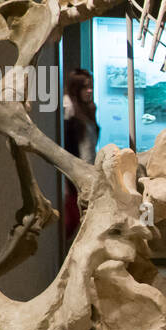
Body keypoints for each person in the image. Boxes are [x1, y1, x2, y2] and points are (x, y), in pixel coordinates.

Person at [62, 68, 99, 241]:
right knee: (73, 221)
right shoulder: (70, 113)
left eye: (90, 86)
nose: (89, 91)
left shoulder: (86, 112)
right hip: (75, 179)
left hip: (87, 176)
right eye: (85, 87)